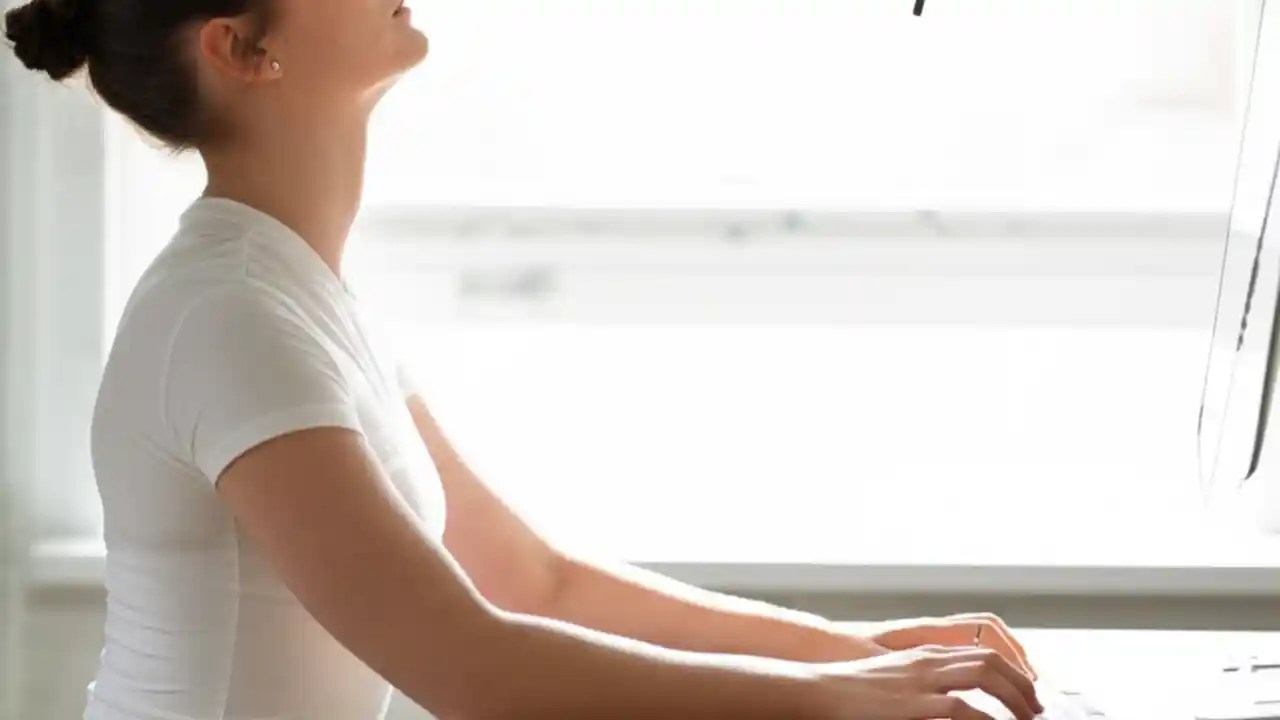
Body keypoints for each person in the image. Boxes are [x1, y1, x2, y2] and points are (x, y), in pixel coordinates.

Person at [5, 1, 1046, 718]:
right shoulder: (226, 315)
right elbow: (476, 672)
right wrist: (840, 702)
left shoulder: (303, 297)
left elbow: (526, 580)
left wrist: (849, 651)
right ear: (242, 49)